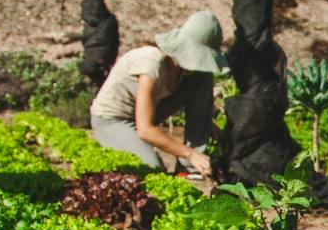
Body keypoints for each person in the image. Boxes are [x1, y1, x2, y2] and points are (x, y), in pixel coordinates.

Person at [88, 11, 227, 178]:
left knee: (203, 78)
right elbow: (145, 130)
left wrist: (204, 122)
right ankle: (191, 157)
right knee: (151, 169)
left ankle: (193, 167)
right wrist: (189, 153)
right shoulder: (150, 64)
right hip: (114, 119)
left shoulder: (187, 71)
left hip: (149, 113)